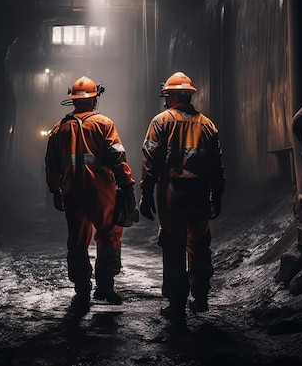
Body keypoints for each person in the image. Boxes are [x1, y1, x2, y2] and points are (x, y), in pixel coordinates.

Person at [138, 71, 226, 322]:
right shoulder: (207, 124)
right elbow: (217, 165)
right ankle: (200, 297)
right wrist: (217, 195)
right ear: (189, 95)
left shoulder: (160, 122)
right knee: (199, 244)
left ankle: (176, 303)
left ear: (171, 96)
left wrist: (145, 193)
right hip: (199, 192)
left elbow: (151, 161)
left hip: (172, 192)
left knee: (173, 246)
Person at [45, 75, 136, 313]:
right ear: (95, 98)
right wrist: (127, 186)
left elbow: (51, 164)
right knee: (109, 235)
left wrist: (55, 190)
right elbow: (118, 158)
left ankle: (82, 292)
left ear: (72, 99)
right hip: (101, 191)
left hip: (73, 192)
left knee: (77, 240)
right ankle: (105, 286)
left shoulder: (59, 128)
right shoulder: (105, 124)